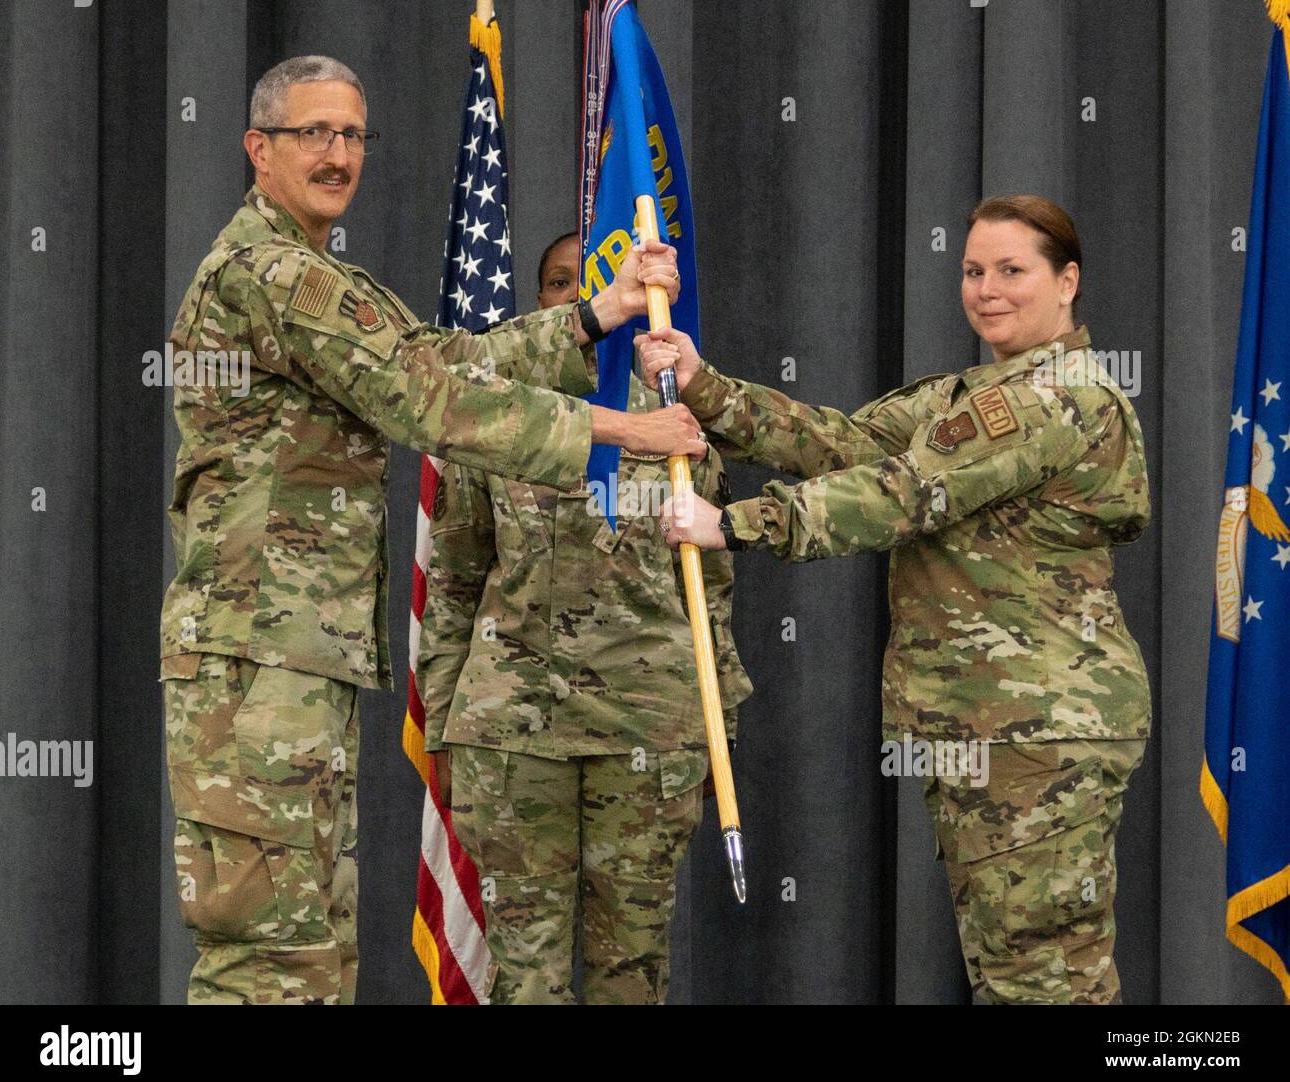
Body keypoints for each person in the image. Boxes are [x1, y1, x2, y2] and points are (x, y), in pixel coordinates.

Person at [159, 55, 705, 1006]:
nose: (337, 155)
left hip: (288, 660)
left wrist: (594, 316)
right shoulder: (271, 274)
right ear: (258, 149)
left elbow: (434, 354)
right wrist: (622, 429)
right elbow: (432, 398)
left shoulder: (310, 272)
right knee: (270, 960)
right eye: (312, 134)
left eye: (353, 135)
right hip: (257, 666)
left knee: (312, 949)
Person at [638, 195, 1151, 1005]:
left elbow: (903, 493)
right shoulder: (972, 395)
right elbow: (843, 444)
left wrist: (731, 525)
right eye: (974, 270)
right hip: (989, 727)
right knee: (1010, 975)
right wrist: (705, 388)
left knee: (1047, 984)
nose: (987, 289)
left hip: (1039, 733)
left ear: (1068, 280)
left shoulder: (1061, 396)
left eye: (1013, 270)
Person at [419, 233, 752, 1004]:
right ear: (539, 303)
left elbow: (713, 588)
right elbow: (456, 580)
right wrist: (443, 725)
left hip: (649, 726)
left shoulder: (676, 418)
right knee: (526, 980)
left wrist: (717, 733)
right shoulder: (493, 421)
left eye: (591, 282)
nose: (575, 296)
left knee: (629, 977)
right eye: (559, 283)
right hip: (511, 734)